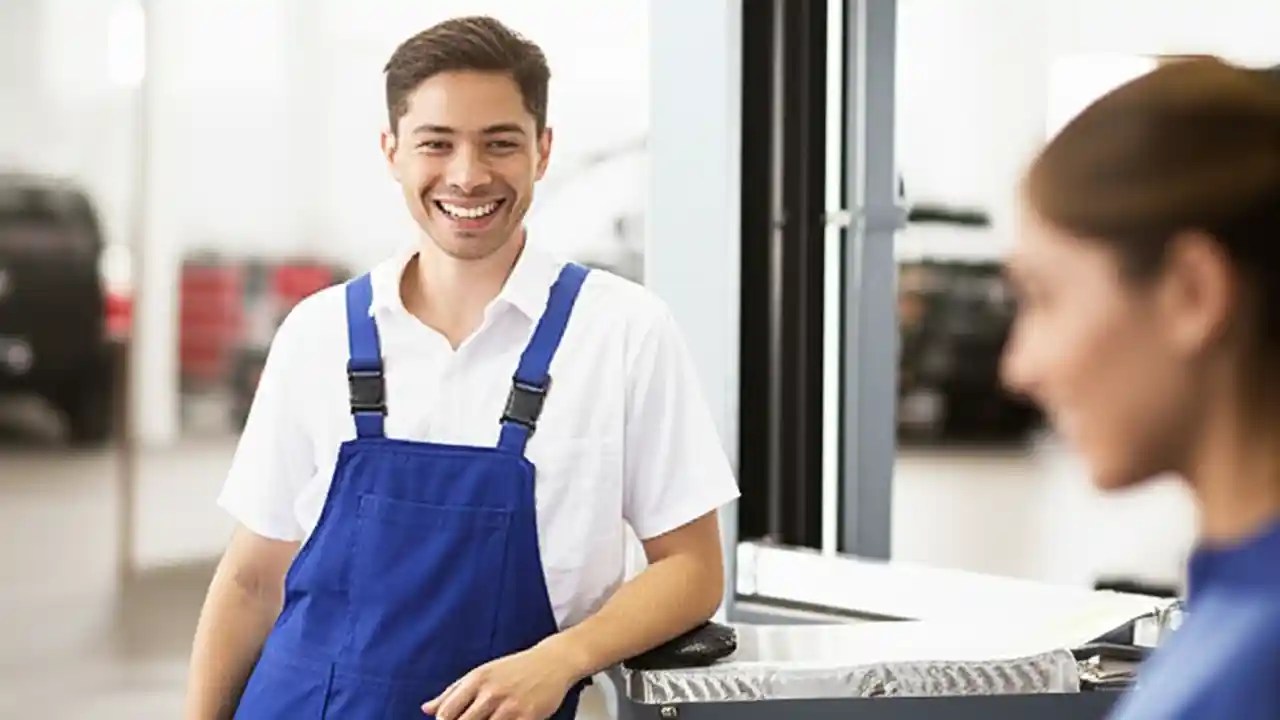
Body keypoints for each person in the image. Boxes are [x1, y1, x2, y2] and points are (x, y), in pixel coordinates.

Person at [183, 15, 739, 720]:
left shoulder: (624, 333)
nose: (468, 174)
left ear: (543, 150)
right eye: (435, 144)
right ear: (392, 152)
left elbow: (692, 571)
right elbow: (251, 583)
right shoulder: (318, 334)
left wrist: (560, 660)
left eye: (499, 143)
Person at [1000, 57, 1280, 719]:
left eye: (1044, 298)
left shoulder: (1252, 674)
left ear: (1192, 292)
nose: (1019, 366)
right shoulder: (1229, 612)